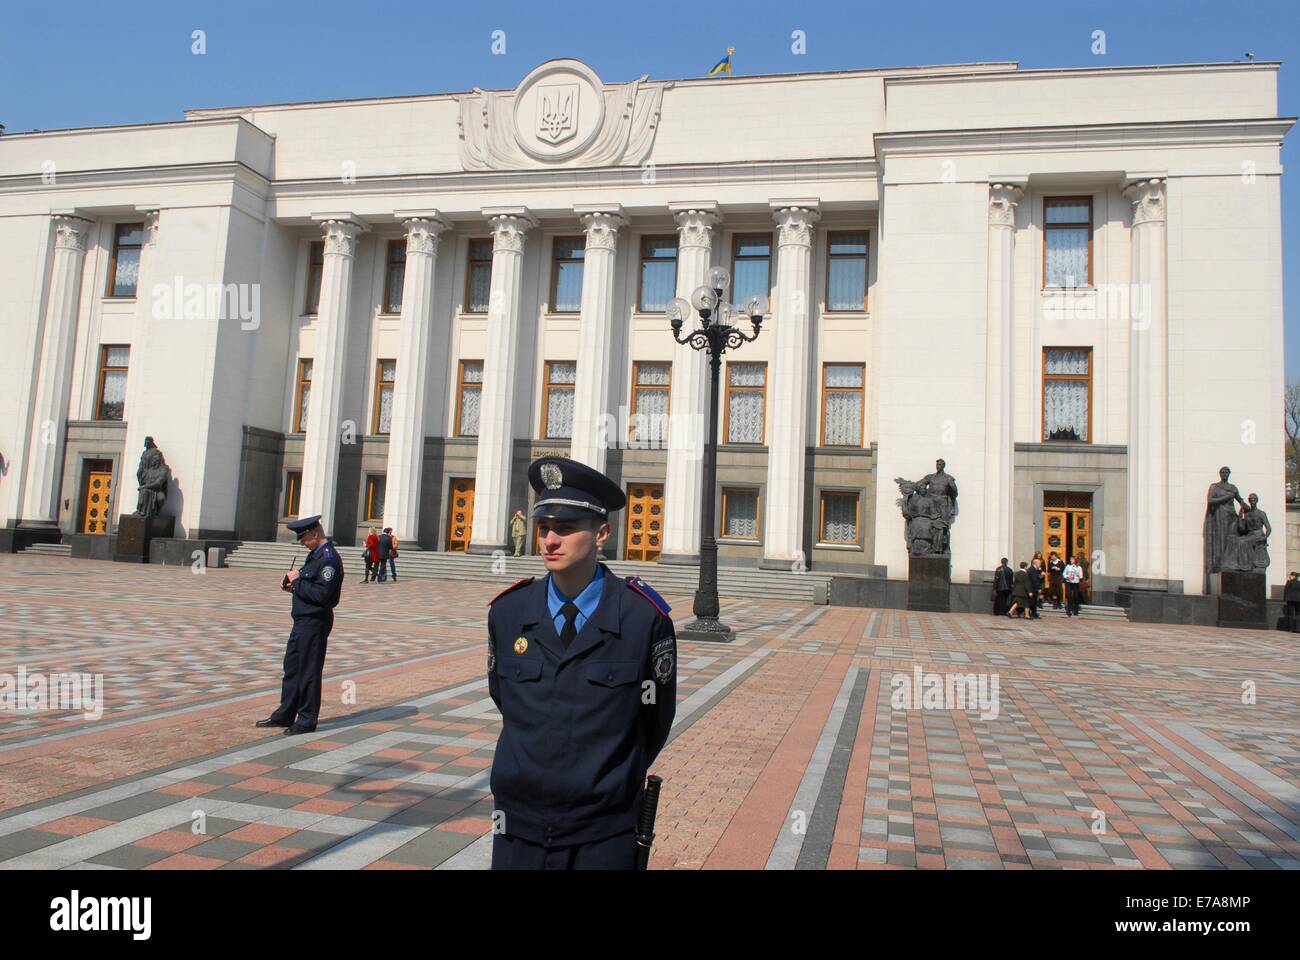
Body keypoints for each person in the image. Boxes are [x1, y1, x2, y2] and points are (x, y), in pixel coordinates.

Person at [487, 455, 677, 870]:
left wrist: (602, 777)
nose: (550, 540)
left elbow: (654, 720)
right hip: (518, 825)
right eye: (543, 528)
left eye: (566, 528)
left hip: (602, 830)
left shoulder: (645, 619)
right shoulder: (507, 613)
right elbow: (505, 700)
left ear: (602, 532)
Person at [255, 515, 344, 735]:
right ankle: (286, 712)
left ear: (314, 534)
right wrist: (293, 586)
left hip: (314, 622)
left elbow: (324, 596)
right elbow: (309, 586)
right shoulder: (315, 556)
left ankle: (306, 719)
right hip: (302, 621)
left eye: (303, 538)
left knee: (308, 670)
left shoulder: (329, 558)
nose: (301, 543)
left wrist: (296, 582)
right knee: (293, 667)